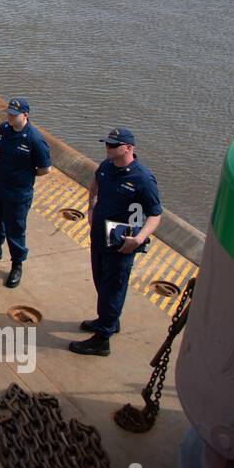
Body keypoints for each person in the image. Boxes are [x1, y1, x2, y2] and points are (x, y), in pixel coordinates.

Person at [71, 128, 162, 357]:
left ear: (128, 148)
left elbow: (155, 214)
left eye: (113, 145)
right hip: (100, 238)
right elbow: (94, 185)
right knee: (101, 282)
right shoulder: (106, 167)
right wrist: (91, 208)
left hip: (121, 245)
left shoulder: (142, 179)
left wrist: (139, 238)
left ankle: (102, 340)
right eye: (107, 144)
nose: (107, 148)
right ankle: (110, 320)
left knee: (113, 288)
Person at [0, 98, 52, 288]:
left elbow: (45, 169)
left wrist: (24, 177)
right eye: (9, 114)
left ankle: (17, 264)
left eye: (14, 115)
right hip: (0, 186)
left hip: (18, 193)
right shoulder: (4, 129)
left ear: (25, 115)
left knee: (15, 229)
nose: (10, 117)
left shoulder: (34, 139)